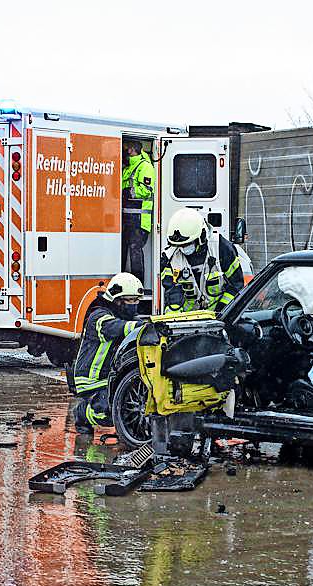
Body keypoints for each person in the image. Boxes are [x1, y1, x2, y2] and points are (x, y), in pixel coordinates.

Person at [71, 272, 144, 434]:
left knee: (132, 407)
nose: (134, 304)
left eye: (136, 300)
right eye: (130, 300)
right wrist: (140, 327)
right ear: (117, 301)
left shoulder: (124, 316)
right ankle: (82, 413)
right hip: (92, 380)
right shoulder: (99, 317)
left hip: (110, 377)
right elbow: (115, 328)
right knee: (112, 413)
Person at [160, 208, 244, 313]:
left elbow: (236, 285)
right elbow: (172, 293)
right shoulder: (169, 258)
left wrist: (221, 312)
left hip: (219, 314)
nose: (183, 248)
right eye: (180, 245)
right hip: (187, 317)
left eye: (186, 244)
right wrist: (174, 320)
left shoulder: (221, 248)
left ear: (202, 236)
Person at [121, 140, 156, 280]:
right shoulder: (128, 168)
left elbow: (147, 191)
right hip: (127, 220)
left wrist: (128, 192)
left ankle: (138, 286)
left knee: (135, 251)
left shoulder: (145, 167)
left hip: (140, 221)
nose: (124, 152)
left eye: (125, 149)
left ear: (132, 150)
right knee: (122, 251)